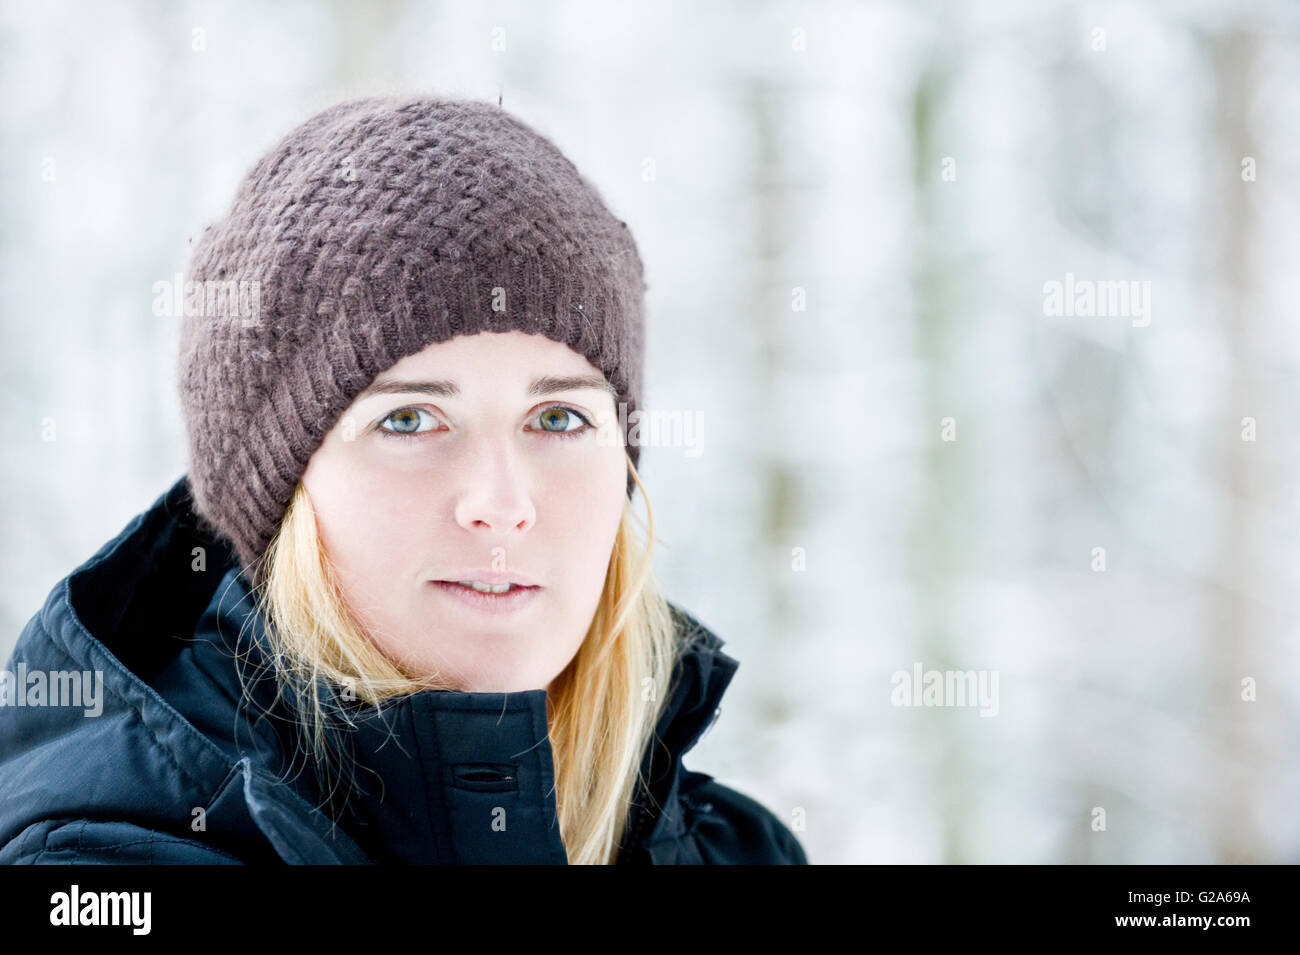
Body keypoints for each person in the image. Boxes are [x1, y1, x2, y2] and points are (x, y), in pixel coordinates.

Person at [0, 95, 808, 865]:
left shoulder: (735, 847)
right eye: (410, 420)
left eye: (559, 420)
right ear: (280, 493)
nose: (502, 505)